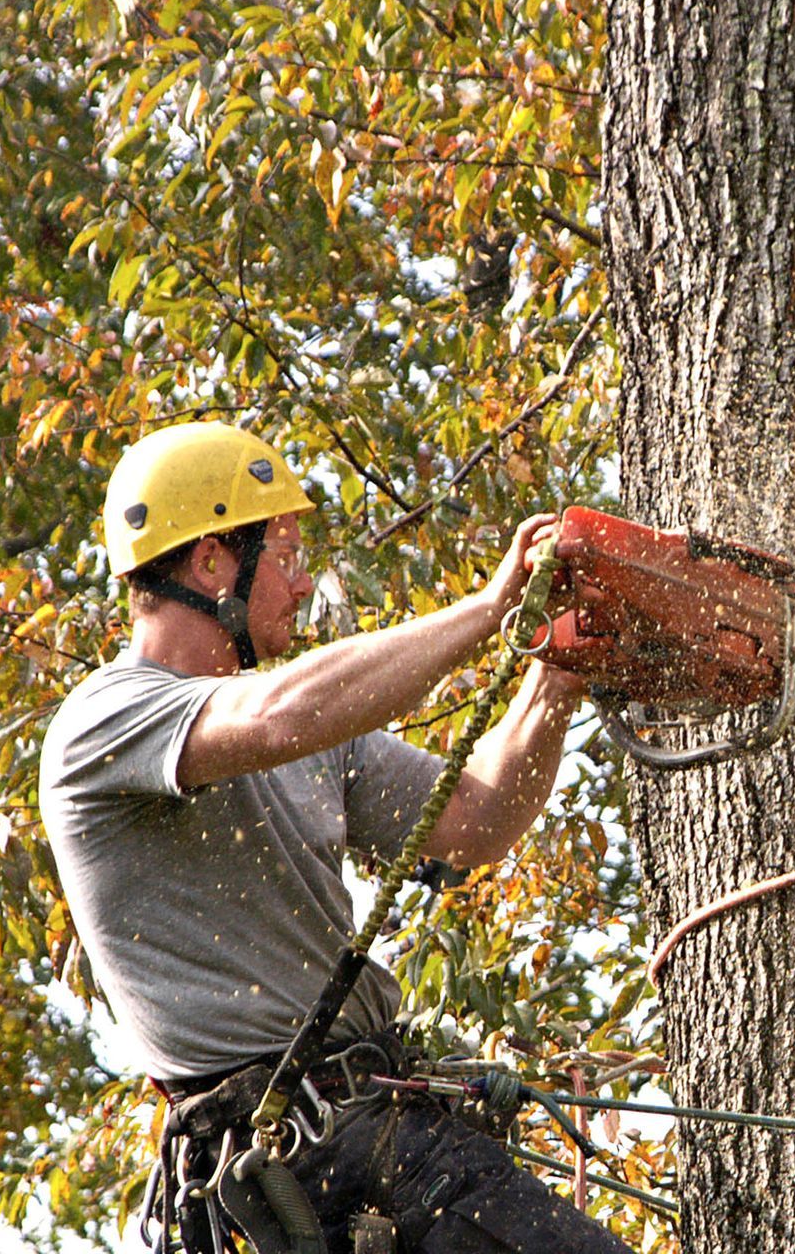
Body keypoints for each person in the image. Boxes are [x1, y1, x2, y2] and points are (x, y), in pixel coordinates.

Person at [39, 422, 629, 1254]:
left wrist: (554, 674)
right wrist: (492, 606)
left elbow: (475, 821)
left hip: (370, 1130)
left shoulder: (312, 734)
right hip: (305, 1152)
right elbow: (278, 714)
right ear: (213, 564)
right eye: (283, 552)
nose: (302, 579)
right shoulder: (106, 720)